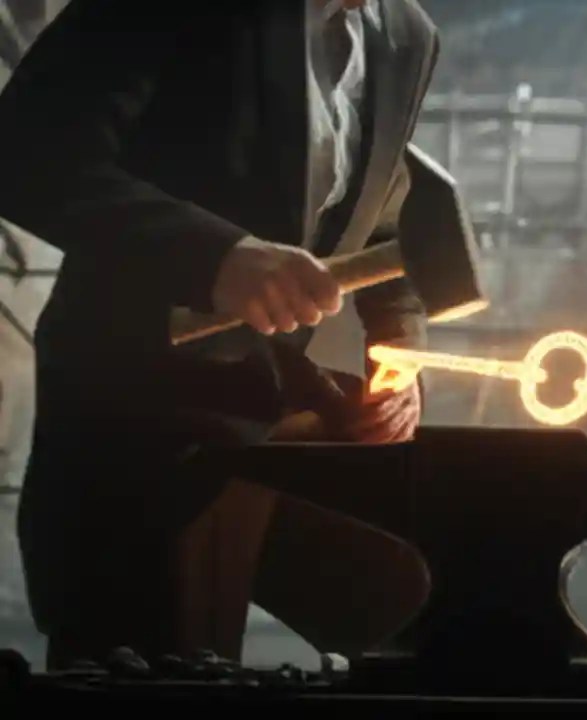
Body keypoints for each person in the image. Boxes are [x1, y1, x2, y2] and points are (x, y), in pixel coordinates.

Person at [0, 0, 483, 668]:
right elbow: (26, 153)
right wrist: (213, 257)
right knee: (148, 676)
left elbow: (385, 214)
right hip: (141, 422)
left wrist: (396, 353)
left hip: (292, 416)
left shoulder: (404, 31)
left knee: (438, 625)